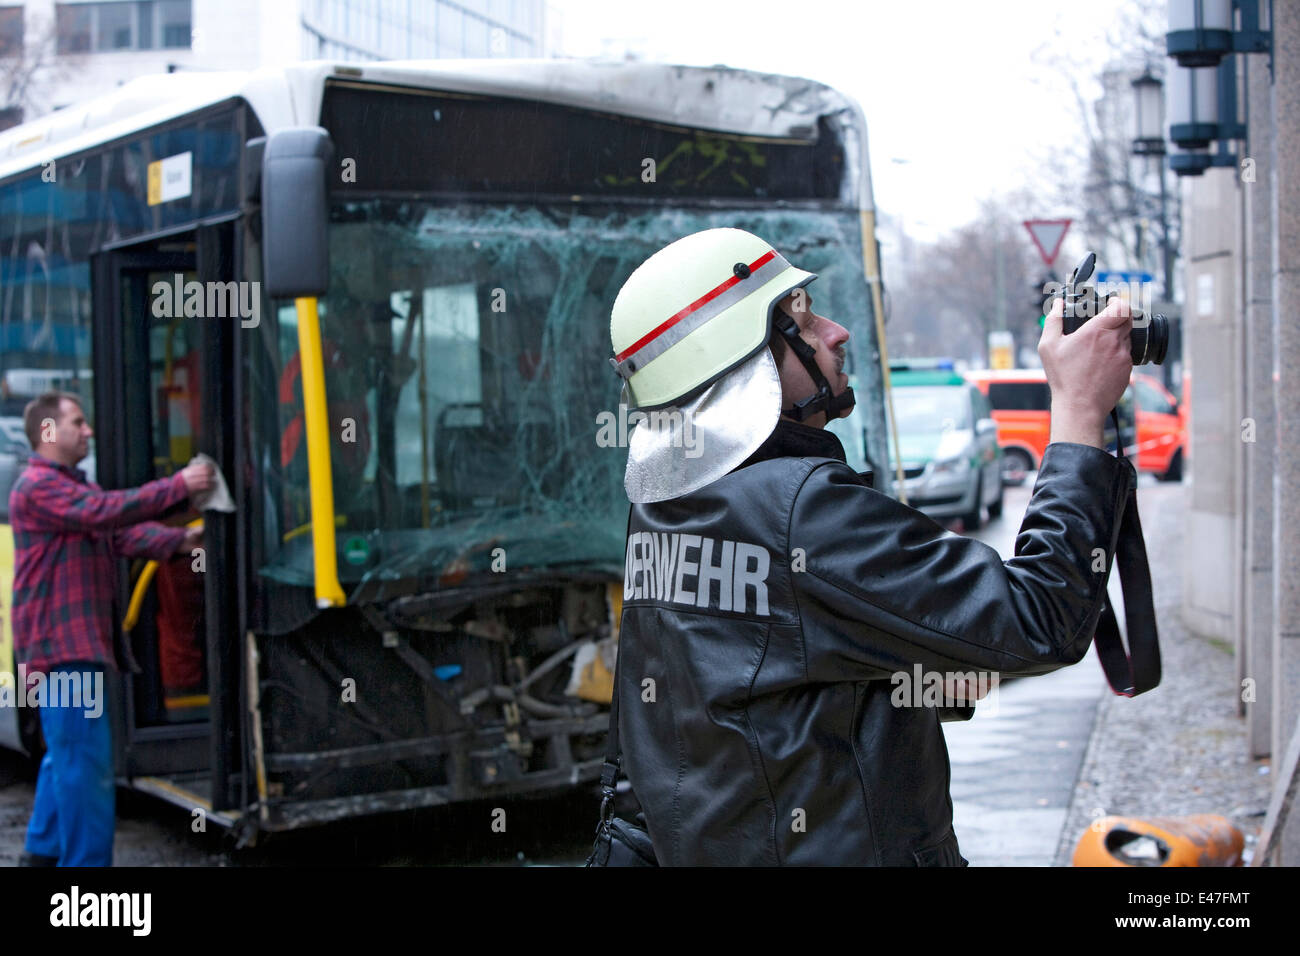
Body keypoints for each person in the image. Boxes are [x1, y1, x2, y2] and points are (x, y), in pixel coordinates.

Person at [606, 227, 1135, 865]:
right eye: (799, 322)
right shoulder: (803, 511)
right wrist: (1079, 412)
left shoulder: (660, 512)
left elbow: (714, 718)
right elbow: (1041, 617)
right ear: (739, 362)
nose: (836, 332)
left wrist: (925, 668)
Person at [8, 391, 214, 866]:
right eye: (78, 422)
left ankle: (41, 855)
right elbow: (107, 514)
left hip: (62, 648)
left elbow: (118, 534)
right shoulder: (39, 487)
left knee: (65, 758)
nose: (89, 431)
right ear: (46, 432)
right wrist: (179, 484)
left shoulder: (72, 487)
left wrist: (183, 540)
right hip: (64, 649)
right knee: (86, 768)